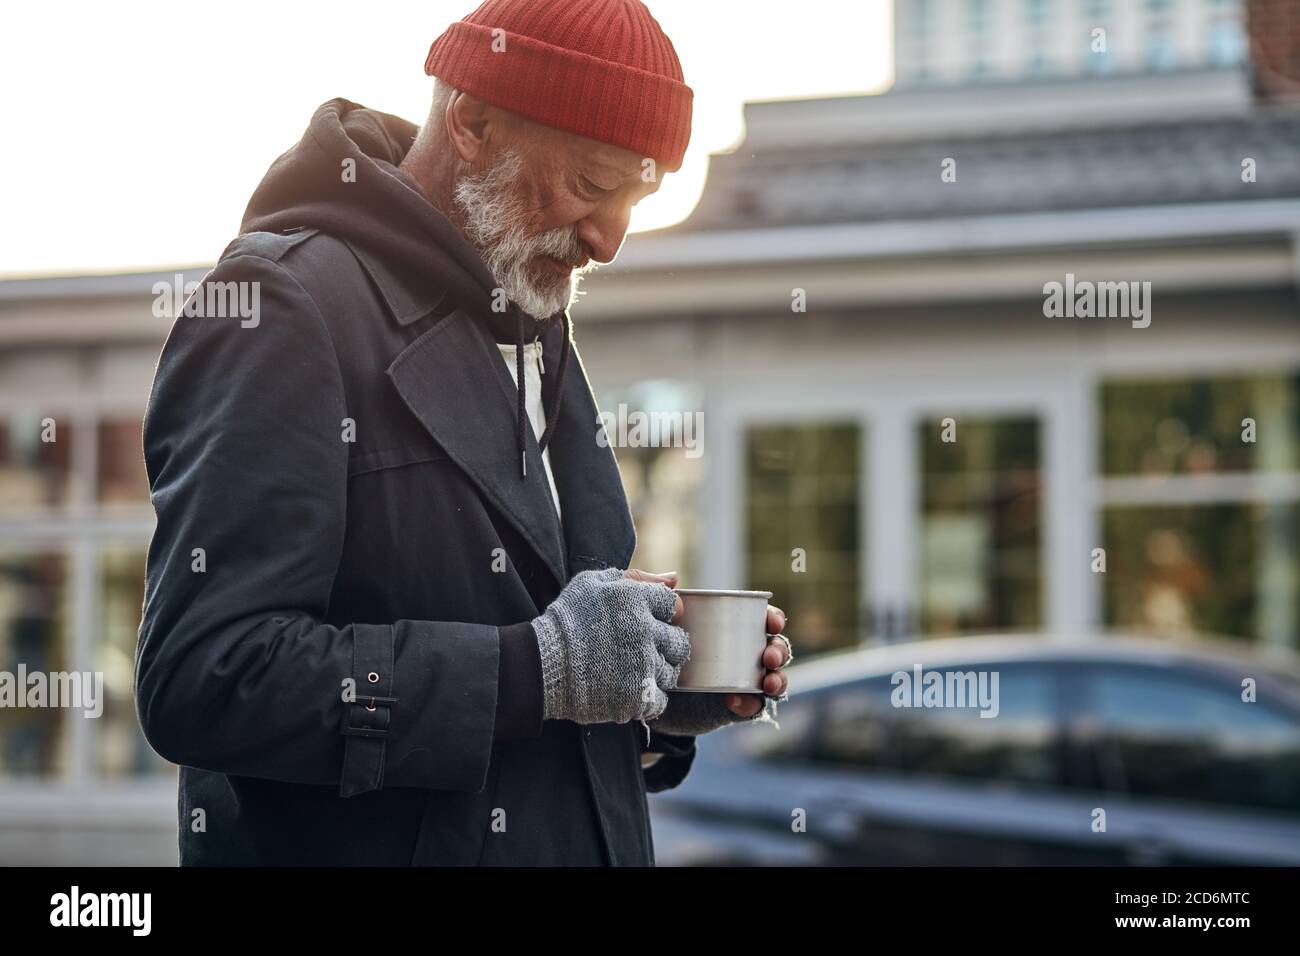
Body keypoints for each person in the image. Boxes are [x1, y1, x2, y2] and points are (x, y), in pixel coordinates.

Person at [135, 0, 791, 866]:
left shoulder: (530, 321)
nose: (610, 240)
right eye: (594, 185)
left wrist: (652, 695)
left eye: (638, 197)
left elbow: (537, 708)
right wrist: (537, 669)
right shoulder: (282, 309)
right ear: (474, 124)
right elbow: (204, 680)